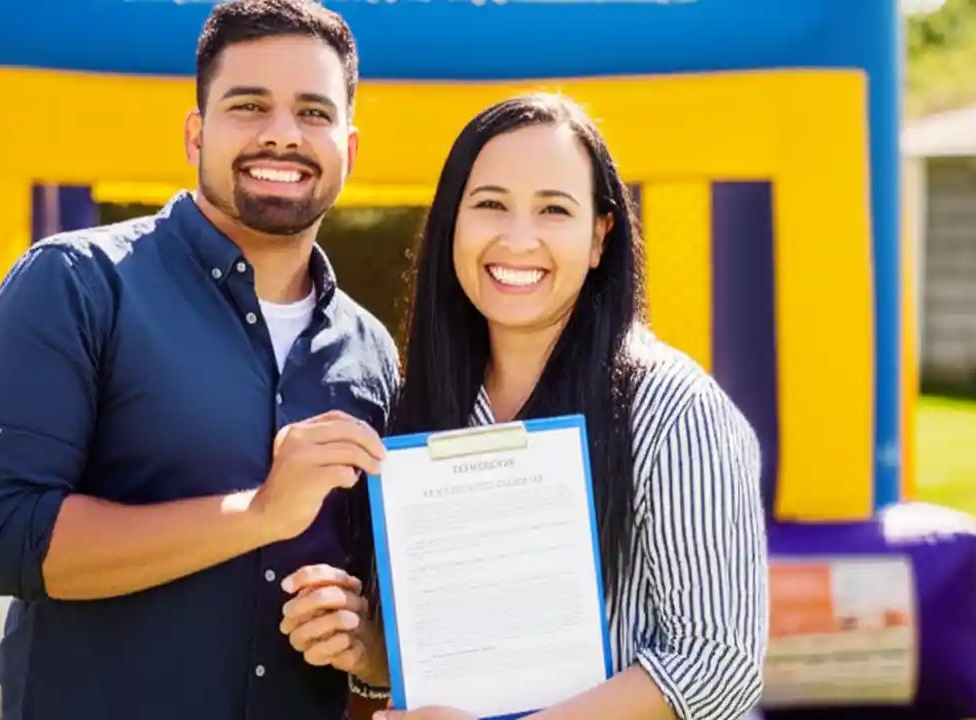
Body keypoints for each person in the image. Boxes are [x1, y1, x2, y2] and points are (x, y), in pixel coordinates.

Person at [0, 1, 398, 717]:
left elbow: (382, 591)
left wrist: (365, 641)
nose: (281, 135)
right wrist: (257, 514)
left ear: (350, 146)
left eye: (313, 113)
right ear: (196, 133)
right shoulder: (75, 285)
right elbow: (0, 539)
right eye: (249, 106)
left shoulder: (372, 352)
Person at [279, 94, 769, 720]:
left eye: (554, 210)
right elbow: (462, 656)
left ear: (599, 237)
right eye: (489, 205)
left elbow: (717, 665)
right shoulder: (427, 405)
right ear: (451, 223)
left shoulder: (673, 409)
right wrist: (370, 648)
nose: (517, 238)